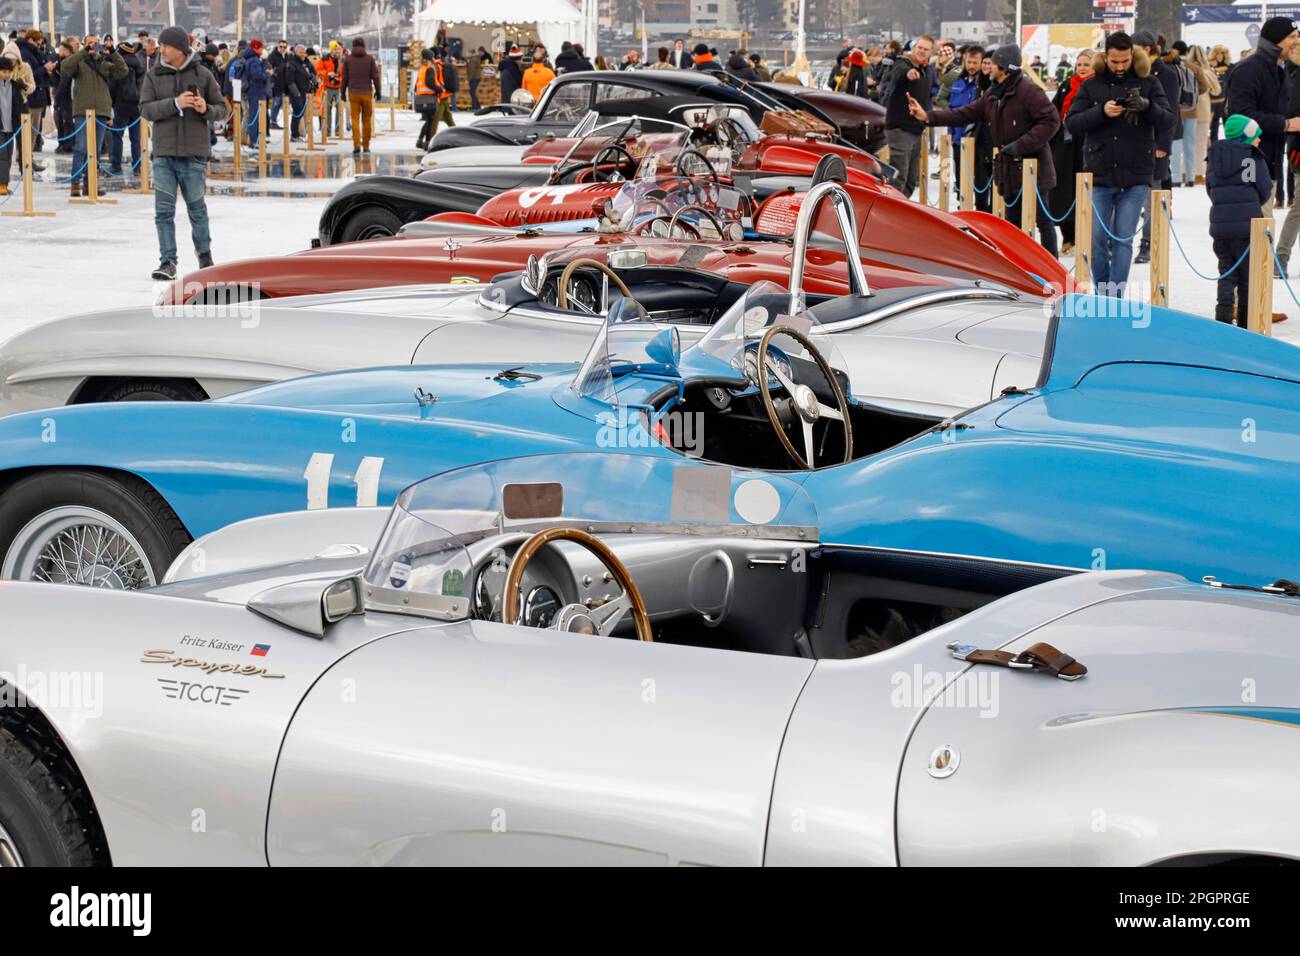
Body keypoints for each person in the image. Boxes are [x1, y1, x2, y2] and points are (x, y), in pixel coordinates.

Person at [910, 44, 1060, 256]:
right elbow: (964, 114)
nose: (988, 68)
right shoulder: (993, 94)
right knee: (1013, 225)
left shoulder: (1029, 91)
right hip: (1008, 170)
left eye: (994, 64)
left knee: (1043, 221)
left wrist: (1020, 145)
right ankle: (1019, 269)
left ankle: (1052, 267)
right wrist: (928, 116)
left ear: (1005, 68)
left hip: (1033, 169)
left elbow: (1051, 121)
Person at [1066, 31, 1175, 293]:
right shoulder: (1091, 85)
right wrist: (1101, 112)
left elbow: (1169, 120)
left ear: (1133, 56)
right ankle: (1103, 291)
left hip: (1136, 173)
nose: (1120, 67)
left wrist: (1146, 106)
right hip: (1100, 171)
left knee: (1122, 239)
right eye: (1114, 61)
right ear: (1105, 57)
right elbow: (1072, 122)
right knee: (1096, 241)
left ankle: (1114, 295)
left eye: (1124, 61)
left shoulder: (1148, 82)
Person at [139, 24, 228, 280]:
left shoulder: (202, 74)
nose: (161, 49)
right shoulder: (153, 75)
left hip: (194, 154)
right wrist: (174, 104)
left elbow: (222, 108)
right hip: (165, 154)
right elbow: (145, 109)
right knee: (163, 212)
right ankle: (167, 261)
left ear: (179, 48)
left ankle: (205, 258)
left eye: (166, 45)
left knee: (197, 209)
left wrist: (204, 109)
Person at [1226, 17, 1300, 224]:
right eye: (1292, 37)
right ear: (1276, 40)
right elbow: (1240, 115)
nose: (1297, 41)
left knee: (1264, 233)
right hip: (1248, 164)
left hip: (1271, 164)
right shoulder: (1248, 70)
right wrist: (1286, 124)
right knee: (1256, 234)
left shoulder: (1279, 70)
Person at [1207, 114, 1270, 326]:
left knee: (1226, 271)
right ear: (1246, 136)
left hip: (1221, 228)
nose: (1260, 140)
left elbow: (1210, 188)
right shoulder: (1253, 157)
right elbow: (1265, 190)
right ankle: (1245, 321)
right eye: (1257, 136)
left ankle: (1223, 318)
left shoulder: (1214, 158)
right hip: (1246, 228)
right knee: (1246, 277)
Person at [1132, 30, 1182, 263]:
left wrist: (1164, 144)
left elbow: (1171, 111)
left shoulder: (1167, 73)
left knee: (1152, 197)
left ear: (1148, 48)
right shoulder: (1132, 71)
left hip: (1156, 143)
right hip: (1133, 142)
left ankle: (1148, 244)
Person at [61, 34, 126, 197]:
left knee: (96, 150)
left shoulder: (103, 63)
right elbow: (65, 67)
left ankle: (91, 184)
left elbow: (122, 70)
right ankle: (75, 183)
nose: (93, 46)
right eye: (90, 43)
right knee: (81, 147)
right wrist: (84, 52)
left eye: (96, 44)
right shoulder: (79, 62)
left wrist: (112, 51)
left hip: (101, 110)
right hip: (83, 110)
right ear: (84, 45)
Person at [1048, 48, 1094, 253]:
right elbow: (1053, 110)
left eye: (1087, 64)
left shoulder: (1097, 86)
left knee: (1084, 190)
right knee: (1063, 191)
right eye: (1080, 65)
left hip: (1087, 144)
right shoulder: (1067, 85)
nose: (1082, 69)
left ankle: (1086, 237)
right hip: (1065, 145)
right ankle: (1068, 237)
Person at [884, 35, 934, 198]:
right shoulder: (904, 63)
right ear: (914, 47)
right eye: (920, 47)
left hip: (916, 129)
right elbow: (899, 72)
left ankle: (900, 211)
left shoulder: (926, 70)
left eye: (926, 49)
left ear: (930, 52)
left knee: (912, 180)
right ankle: (891, 214)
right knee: (899, 179)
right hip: (900, 129)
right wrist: (909, 73)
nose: (922, 51)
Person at [107, 38, 143, 175]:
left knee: (117, 136)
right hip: (136, 105)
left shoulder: (119, 66)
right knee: (136, 138)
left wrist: (113, 103)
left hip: (121, 104)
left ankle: (116, 165)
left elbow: (113, 86)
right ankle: (137, 166)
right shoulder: (139, 65)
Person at [341, 36, 380, 156]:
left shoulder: (348, 59)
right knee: (367, 120)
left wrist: (342, 92)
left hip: (353, 92)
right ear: (364, 46)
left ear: (353, 46)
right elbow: (375, 76)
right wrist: (378, 91)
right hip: (367, 92)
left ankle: (356, 145)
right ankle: (366, 146)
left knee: (355, 119)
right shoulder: (369, 59)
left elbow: (345, 78)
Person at [1186, 44, 1219, 185]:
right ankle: (1198, 174)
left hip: (1186, 109)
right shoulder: (1207, 71)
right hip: (1203, 110)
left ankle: (1185, 173)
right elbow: (1217, 90)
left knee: (1186, 144)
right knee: (1200, 144)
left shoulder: (1185, 68)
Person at [14, 30, 49, 164]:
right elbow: (29, 76)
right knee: (30, 131)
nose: (40, 43)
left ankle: (28, 158)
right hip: (32, 98)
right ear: (30, 39)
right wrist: (45, 69)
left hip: (38, 96)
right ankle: (25, 158)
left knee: (33, 131)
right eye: (37, 40)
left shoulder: (35, 52)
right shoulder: (25, 53)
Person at [235, 39, 271, 148]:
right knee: (254, 116)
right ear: (257, 48)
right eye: (261, 47)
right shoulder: (255, 60)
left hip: (253, 91)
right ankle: (253, 141)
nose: (262, 49)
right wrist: (267, 74)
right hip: (256, 91)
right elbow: (257, 75)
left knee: (253, 115)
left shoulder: (249, 59)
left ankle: (254, 139)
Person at [0, 55, 26, 196]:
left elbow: (21, 106)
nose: (6, 74)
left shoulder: (15, 86)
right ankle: (1, 183)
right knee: (2, 155)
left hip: (11, 126)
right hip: (0, 126)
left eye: (9, 72)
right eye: (3, 71)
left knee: (8, 155)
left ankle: (4, 182)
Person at [283, 44, 314, 140]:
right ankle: (294, 134)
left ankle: (297, 133)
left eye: (304, 52)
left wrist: (313, 77)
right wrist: (297, 94)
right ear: (296, 52)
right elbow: (289, 80)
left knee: (301, 113)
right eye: (301, 52)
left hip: (304, 90)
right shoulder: (292, 63)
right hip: (296, 92)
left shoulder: (306, 62)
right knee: (297, 112)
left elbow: (311, 72)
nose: (303, 54)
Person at [315, 41, 344, 137]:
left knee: (339, 110)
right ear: (331, 50)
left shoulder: (342, 60)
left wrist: (338, 79)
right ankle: (327, 131)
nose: (337, 51)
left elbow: (345, 74)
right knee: (327, 110)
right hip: (327, 88)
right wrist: (327, 74)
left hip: (339, 88)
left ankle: (338, 131)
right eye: (335, 49)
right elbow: (318, 70)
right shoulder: (324, 59)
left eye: (339, 49)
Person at [1209, 45, 1230, 141]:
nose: (1220, 56)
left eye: (1222, 54)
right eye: (1217, 54)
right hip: (1214, 100)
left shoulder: (1229, 67)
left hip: (1227, 99)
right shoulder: (1210, 68)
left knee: (1228, 123)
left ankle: (1230, 143)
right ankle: (1214, 144)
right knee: (1214, 123)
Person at [267, 38, 288, 129]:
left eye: (284, 47)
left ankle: (273, 120)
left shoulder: (286, 56)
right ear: (278, 46)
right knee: (276, 102)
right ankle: (273, 121)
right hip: (275, 82)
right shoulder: (272, 56)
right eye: (281, 46)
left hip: (283, 82)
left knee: (279, 103)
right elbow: (269, 69)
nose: (282, 48)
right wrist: (276, 73)